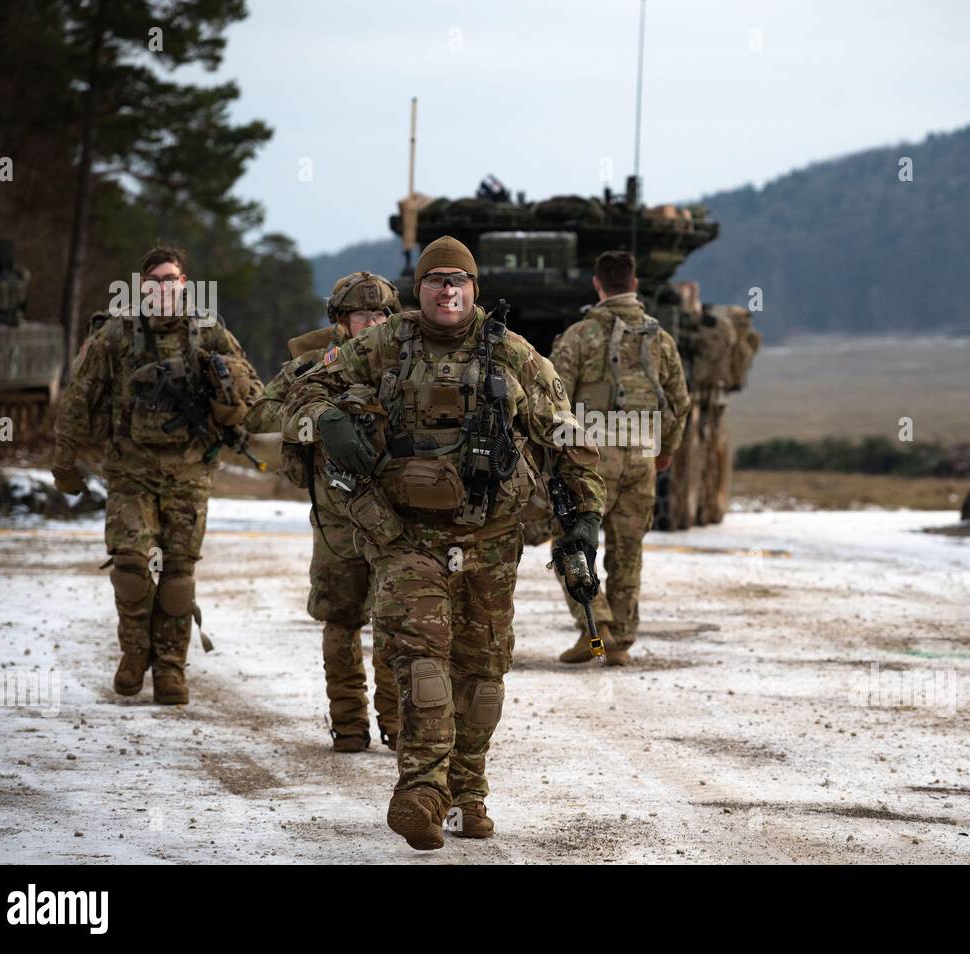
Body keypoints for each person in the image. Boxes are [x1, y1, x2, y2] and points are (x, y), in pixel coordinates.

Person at [283, 236, 604, 849]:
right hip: (406, 536)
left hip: (490, 539)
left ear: (474, 290)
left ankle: (468, 792)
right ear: (419, 290)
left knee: (482, 671)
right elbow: (299, 396)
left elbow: (569, 438)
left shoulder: (515, 356)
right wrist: (328, 421)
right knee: (421, 659)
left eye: (458, 281)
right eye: (435, 281)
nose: (447, 291)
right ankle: (422, 791)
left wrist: (583, 518)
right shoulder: (383, 346)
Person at [52, 243, 263, 704]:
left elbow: (252, 388)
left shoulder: (208, 332)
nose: (164, 288)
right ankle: (134, 654)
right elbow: (79, 396)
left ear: (184, 285)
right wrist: (64, 461)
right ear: (141, 286)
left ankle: (170, 668)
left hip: (190, 473)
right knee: (132, 566)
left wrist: (233, 402)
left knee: (178, 575)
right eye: (154, 281)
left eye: (172, 280)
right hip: (130, 469)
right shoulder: (117, 334)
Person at [245, 272, 401, 751]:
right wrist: (320, 417)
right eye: (361, 315)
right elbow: (261, 414)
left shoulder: (406, 359)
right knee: (342, 619)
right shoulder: (316, 363)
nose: (371, 323)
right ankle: (349, 723)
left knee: (396, 620)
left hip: (397, 510)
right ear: (340, 319)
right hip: (337, 513)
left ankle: (396, 722)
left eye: (380, 315)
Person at [549, 251, 690, 665]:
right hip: (642, 453)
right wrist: (666, 449)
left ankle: (598, 629)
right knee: (628, 549)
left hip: (593, 457)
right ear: (635, 284)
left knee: (570, 544)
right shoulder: (660, 340)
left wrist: (559, 453)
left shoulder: (580, 335)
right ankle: (621, 642)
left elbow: (554, 398)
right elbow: (679, 402)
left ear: (597, 285)